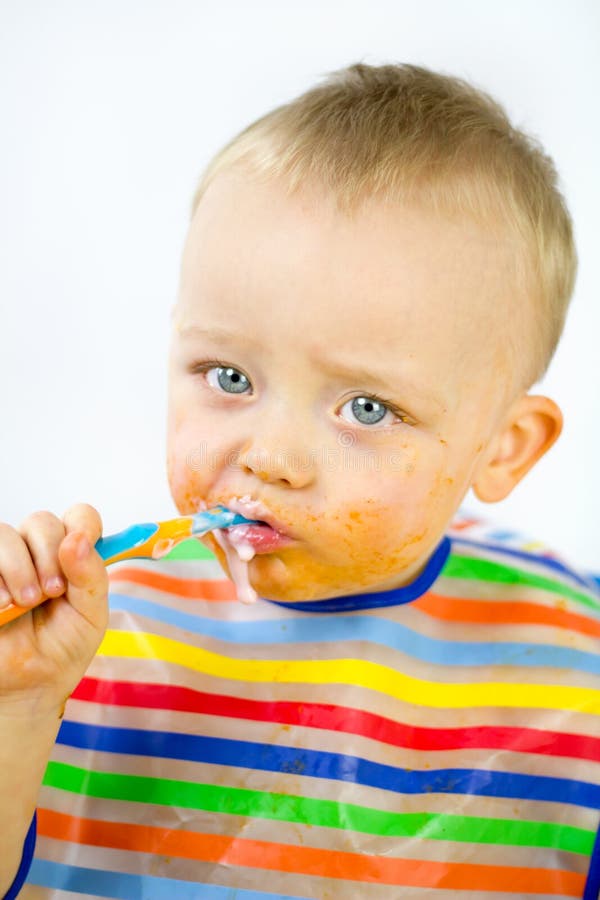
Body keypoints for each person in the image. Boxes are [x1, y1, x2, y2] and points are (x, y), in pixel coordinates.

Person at [1, 62, 599, 899]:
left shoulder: (576, 668)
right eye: (230, 377)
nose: (270, 456)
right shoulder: (73, 636)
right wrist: (18, 710)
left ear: (504, 446)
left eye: (365, 406)